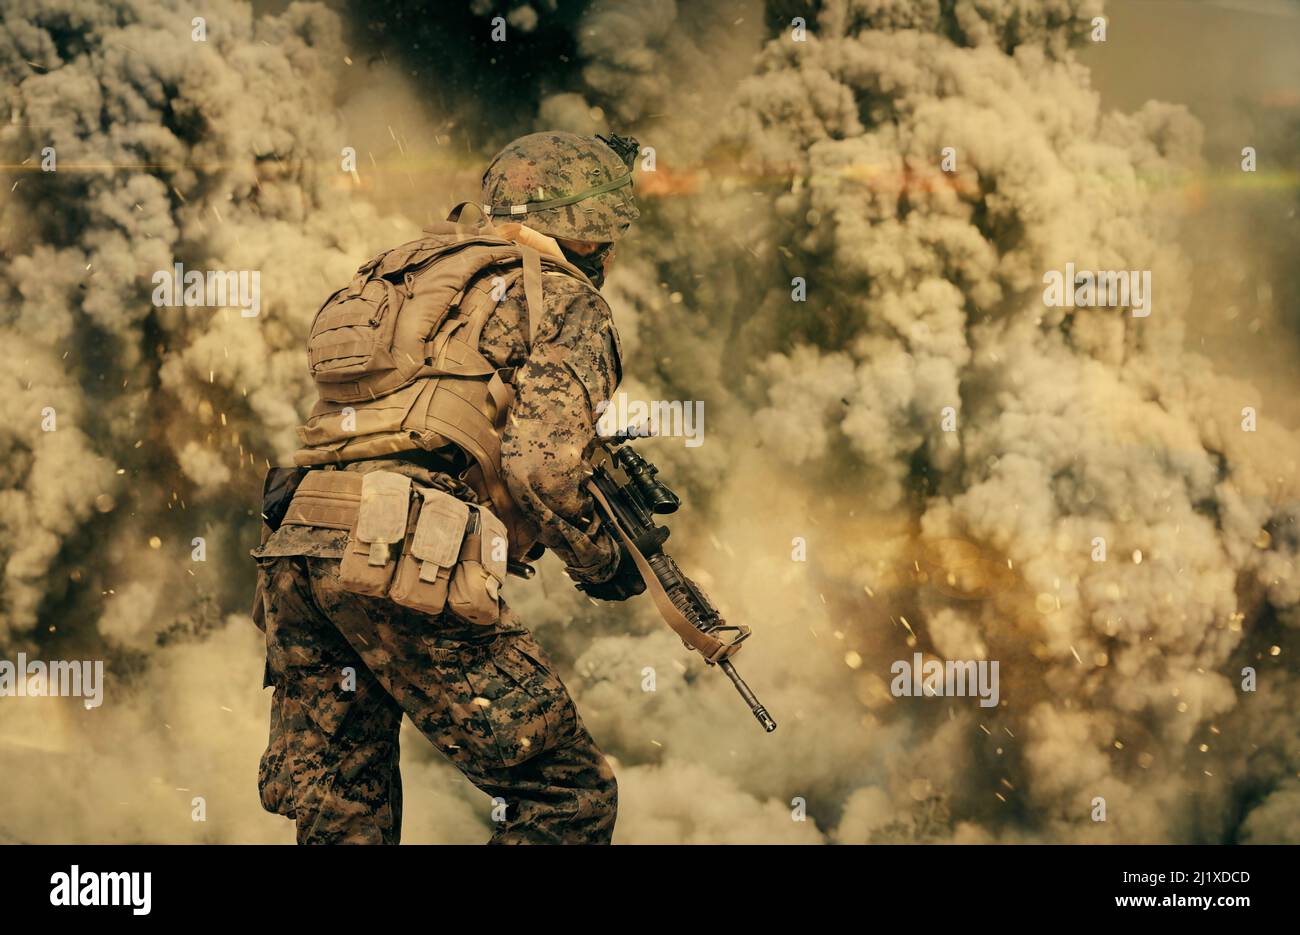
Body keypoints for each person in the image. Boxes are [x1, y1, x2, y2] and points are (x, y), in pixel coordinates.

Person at [250, 131, 647, 844]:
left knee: (345, 815)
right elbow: (542, 467)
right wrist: (603, 559)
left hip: (299, 547)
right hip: (399, 550)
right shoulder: (560, 295)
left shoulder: (412, 276)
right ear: (591, 234)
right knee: (569, 795)